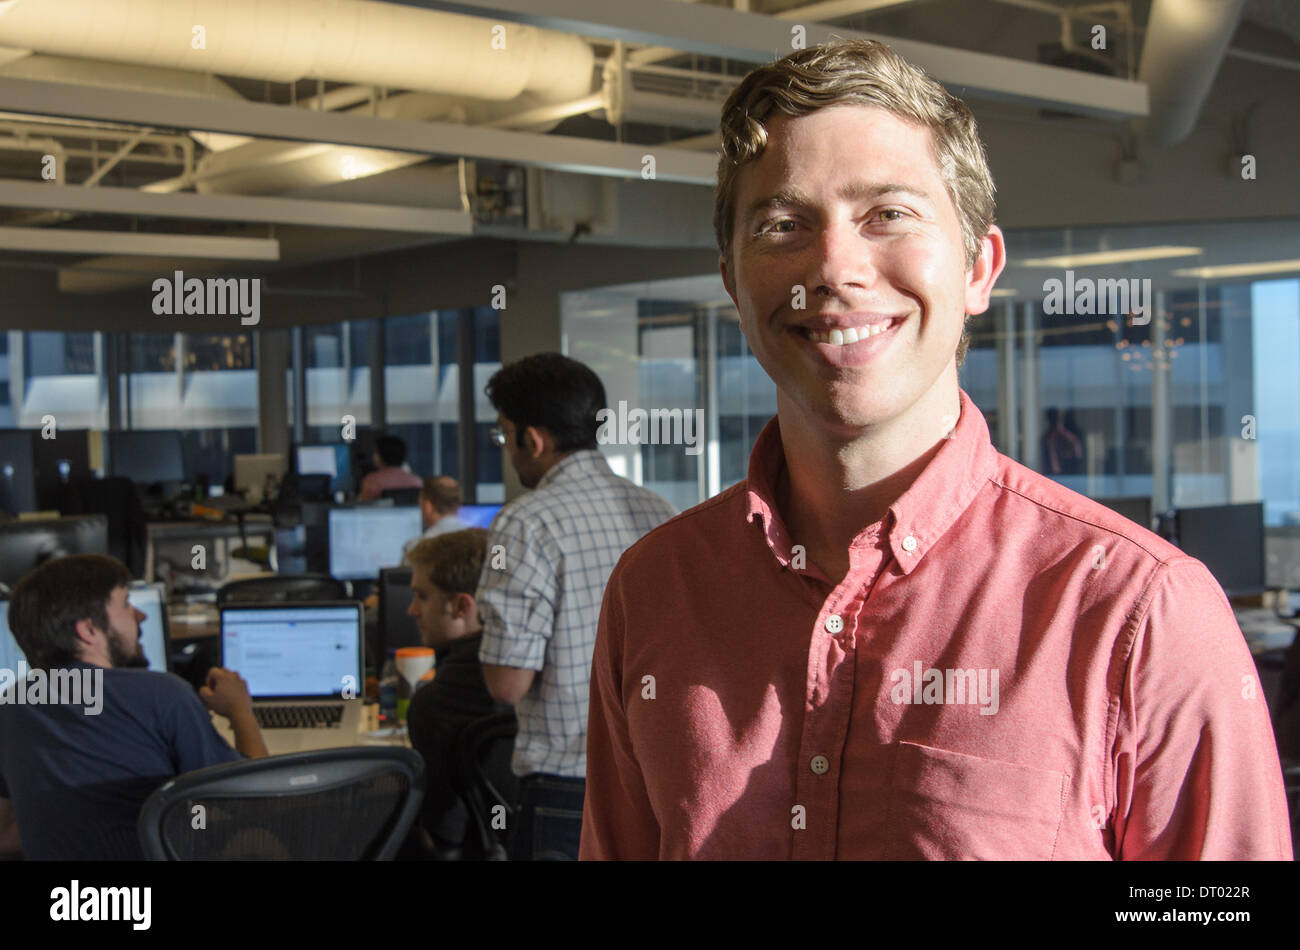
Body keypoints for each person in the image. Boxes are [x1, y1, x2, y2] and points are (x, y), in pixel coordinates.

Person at [580, 38, 1292, 860]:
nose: (835, 266)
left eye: (887, 213)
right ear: (734, 283)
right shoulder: (654, 589)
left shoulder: (1141, 612)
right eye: (784, 224)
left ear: (978, 270)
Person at [477, 353, 676, 860]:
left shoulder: (527, 522)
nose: (509, 451)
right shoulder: (660, 511)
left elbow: (507, 683)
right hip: (656, 783)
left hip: (567, 791)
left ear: (533, 438)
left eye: (505, 436)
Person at [0, 554, 267, 860]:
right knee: (260, 836)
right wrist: (240, 711)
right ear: (88, 631)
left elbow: (5, 837)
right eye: (126, 604)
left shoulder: (11, 705)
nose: (141, 616)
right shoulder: (162, 694)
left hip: (70, 906)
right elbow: (254, 801)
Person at [404, 529, 514, 855]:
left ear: (462, 606)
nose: (412, 610)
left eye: (422, 596)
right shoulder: (533, 671)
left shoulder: (434, 703)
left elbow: (443, 836)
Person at [402, 476, 469, 562]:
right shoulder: (479, 544)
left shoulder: (416, 549)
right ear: (458, 506)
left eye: (420, 505)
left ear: (428, 507)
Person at [357, 434, 423, 501]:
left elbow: (363, 508)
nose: (374, 456)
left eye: (376, 452)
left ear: (380, 456)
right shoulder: (417, 481)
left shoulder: (371, 481)